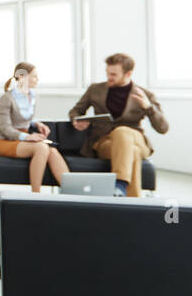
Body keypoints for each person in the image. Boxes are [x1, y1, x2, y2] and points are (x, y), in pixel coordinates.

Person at [68, 52, 169, 197]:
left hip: (136, 139)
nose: (109, 77)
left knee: (122, 131)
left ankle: (120, 184)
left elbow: (163, 128)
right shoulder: (95, 89)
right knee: (131, 152)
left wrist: (148, 107)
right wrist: (77, 121)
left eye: (114, 74)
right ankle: (132, 205)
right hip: (104, 142)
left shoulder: (145, 95)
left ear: (128, 74)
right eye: (107, 73)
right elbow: (76, 111)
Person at [0, 62, 67, 192]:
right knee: (41, 148)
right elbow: (5, 128)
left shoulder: (31, 96)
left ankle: (72, 191)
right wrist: (28, 137)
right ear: (21, 77)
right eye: (34, 76)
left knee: (53, 152)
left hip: (21, 140)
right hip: (3, 141)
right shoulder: (6, 99)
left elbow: (24, 117)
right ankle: (35, 195)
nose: (37, 80)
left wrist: (37, 123)